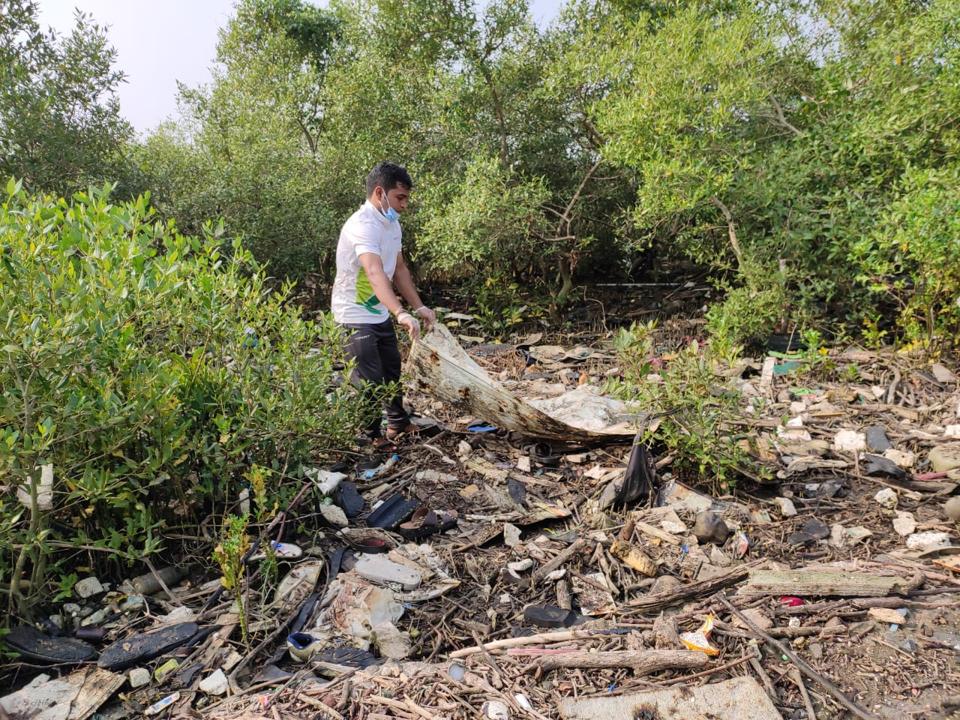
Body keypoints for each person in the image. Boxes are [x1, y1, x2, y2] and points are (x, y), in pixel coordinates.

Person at [331, 162, 436, 446]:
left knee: (391, 369)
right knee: (369, 379)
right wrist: (399, 312)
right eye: (400, 197)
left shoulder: (391, 223)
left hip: (376, 310)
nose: (404, 205)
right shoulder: (361, 225)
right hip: (353, 313)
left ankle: (398, 424)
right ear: (380, 193)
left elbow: (399, 269)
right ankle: (370, 436)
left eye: (406, 199)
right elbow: (374, 272)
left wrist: (419, 307)